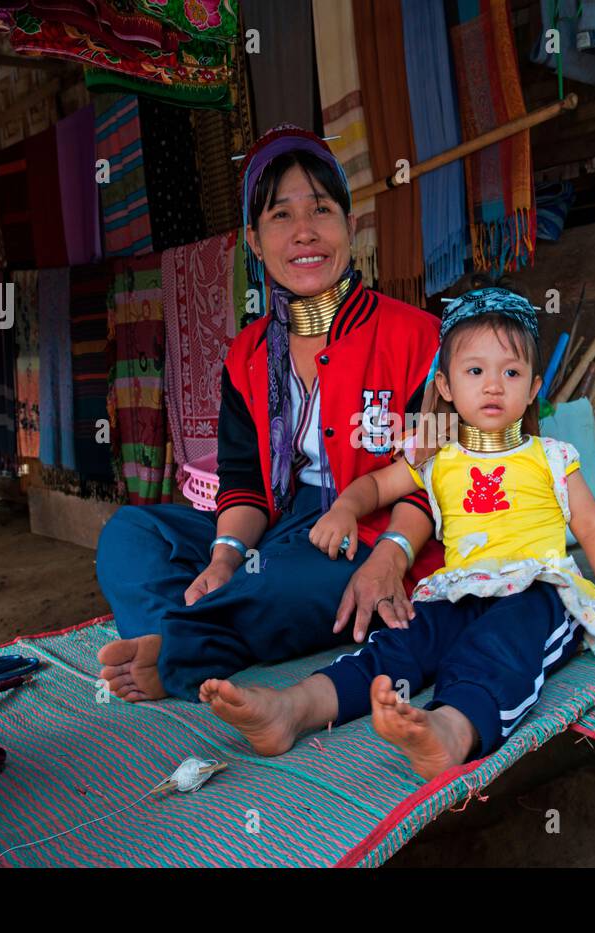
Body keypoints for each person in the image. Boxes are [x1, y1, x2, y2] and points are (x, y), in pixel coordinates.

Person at [199, 284, 595, 779]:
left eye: (510, 373)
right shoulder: (437, 456)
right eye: (475, 371)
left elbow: (594, 524)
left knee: (501, 646)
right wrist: (344, 507)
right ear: (446, 386)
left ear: (534, 388)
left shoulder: (550, 457)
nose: (493, 386)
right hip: (457, 589)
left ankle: (452, 728)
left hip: (537, 589)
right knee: (400, 643)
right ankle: (294, 708)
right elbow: (375, 485)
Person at [95, 125, 444, 702]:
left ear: (350, 226)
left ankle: (173, 650)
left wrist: (392, 556)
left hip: (368, 531)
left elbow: (440, 473)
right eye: (280, 216)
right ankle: (190, 636)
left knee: (285, 582)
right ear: (254, 241)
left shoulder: (417, 337)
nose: (305, 232)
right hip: (279, 525)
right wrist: (227, 558)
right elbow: (245, 484)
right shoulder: (247, 354)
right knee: (131, 535)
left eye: (322, 210)